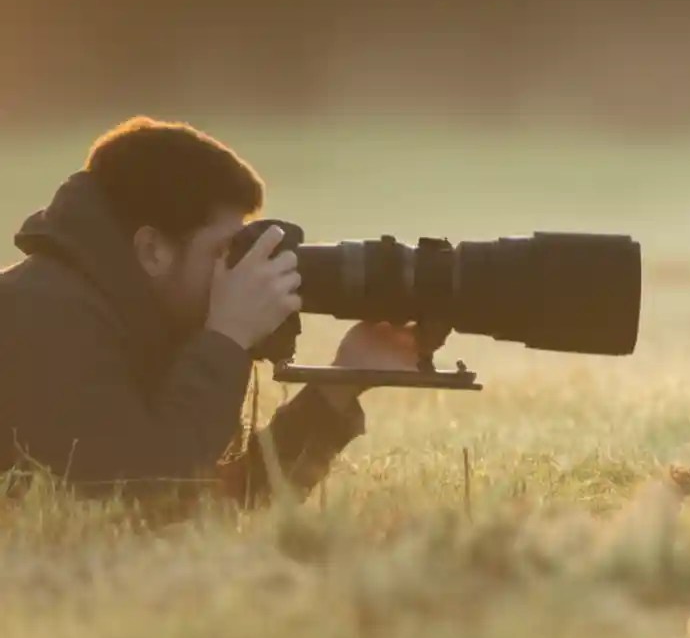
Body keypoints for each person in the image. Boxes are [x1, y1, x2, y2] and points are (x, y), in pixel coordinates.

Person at [0, 115, 420, 507]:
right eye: (221, 251)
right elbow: (141, 495)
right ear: (152, 250)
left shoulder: (133, 317)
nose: (236, 273)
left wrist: (340, 384)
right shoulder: (42, 315)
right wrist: (226, 337)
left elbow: (214, 500)